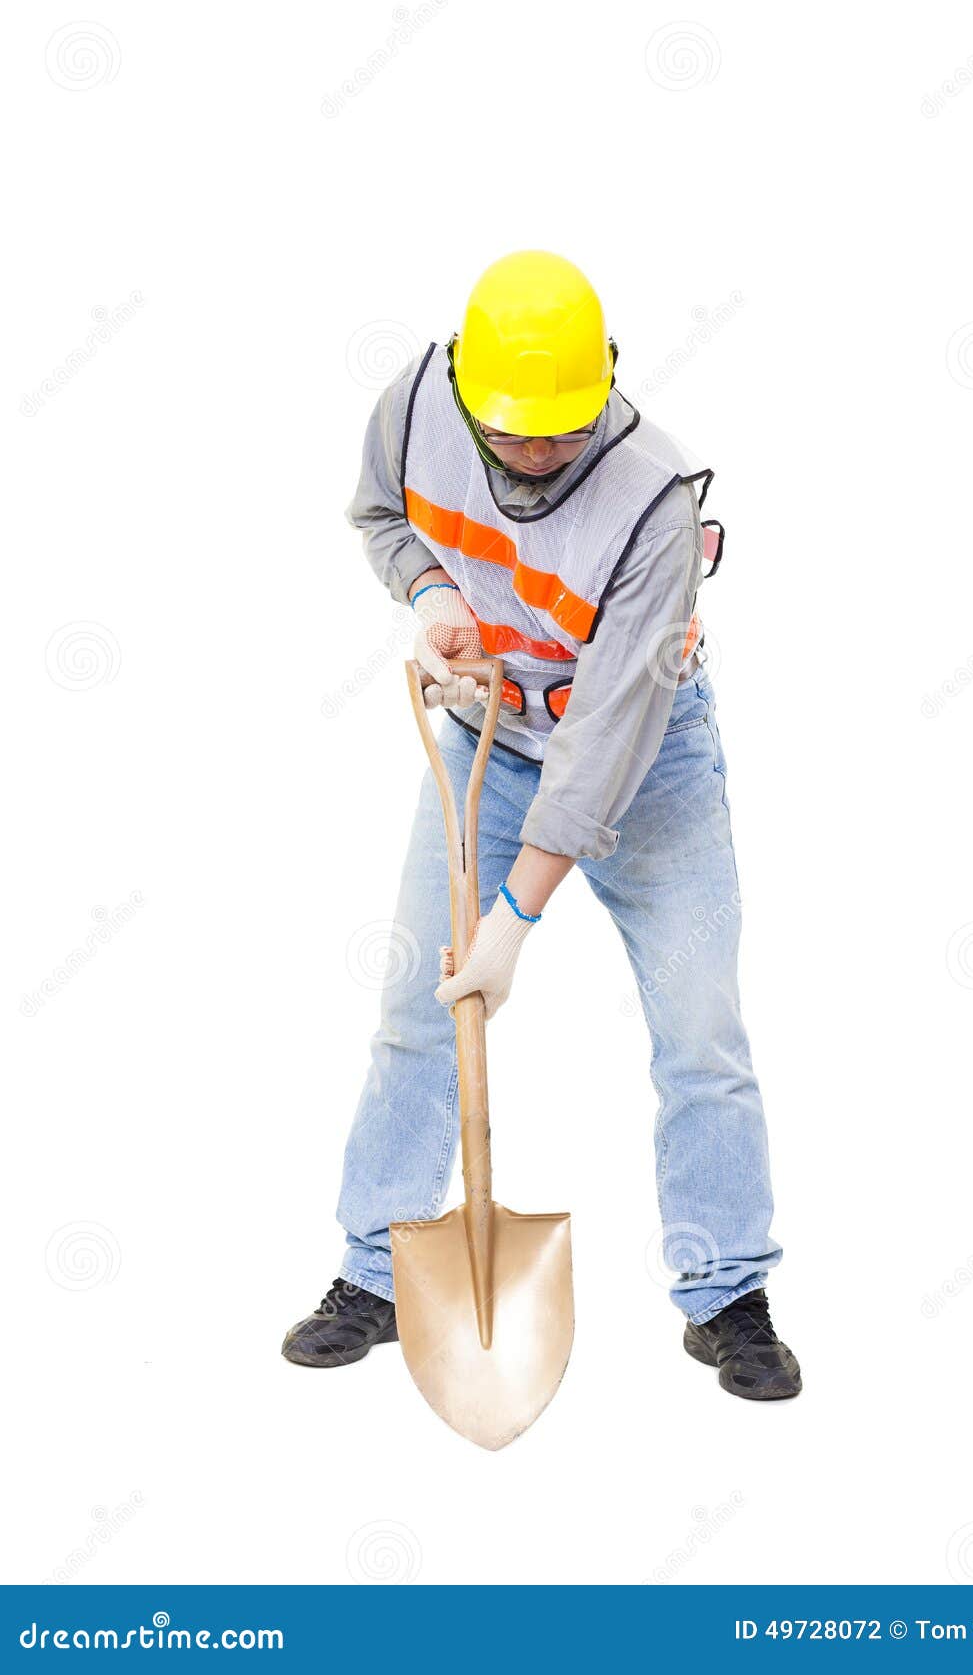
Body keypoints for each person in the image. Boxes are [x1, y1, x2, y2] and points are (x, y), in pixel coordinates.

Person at [282, 250, 801, 1401]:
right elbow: (379, 515)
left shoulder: (655, 501)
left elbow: (608, 744)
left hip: (646, 760)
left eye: (560, 432)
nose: (534, 454)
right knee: (416, 1006)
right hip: (484, 736)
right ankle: (374, 1268)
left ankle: (725, 1296)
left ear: (604, 383)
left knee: (700, 1028)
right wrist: (431, 598)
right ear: (466, 385)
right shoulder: (417, 403)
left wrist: (516, 914)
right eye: (513, 432)